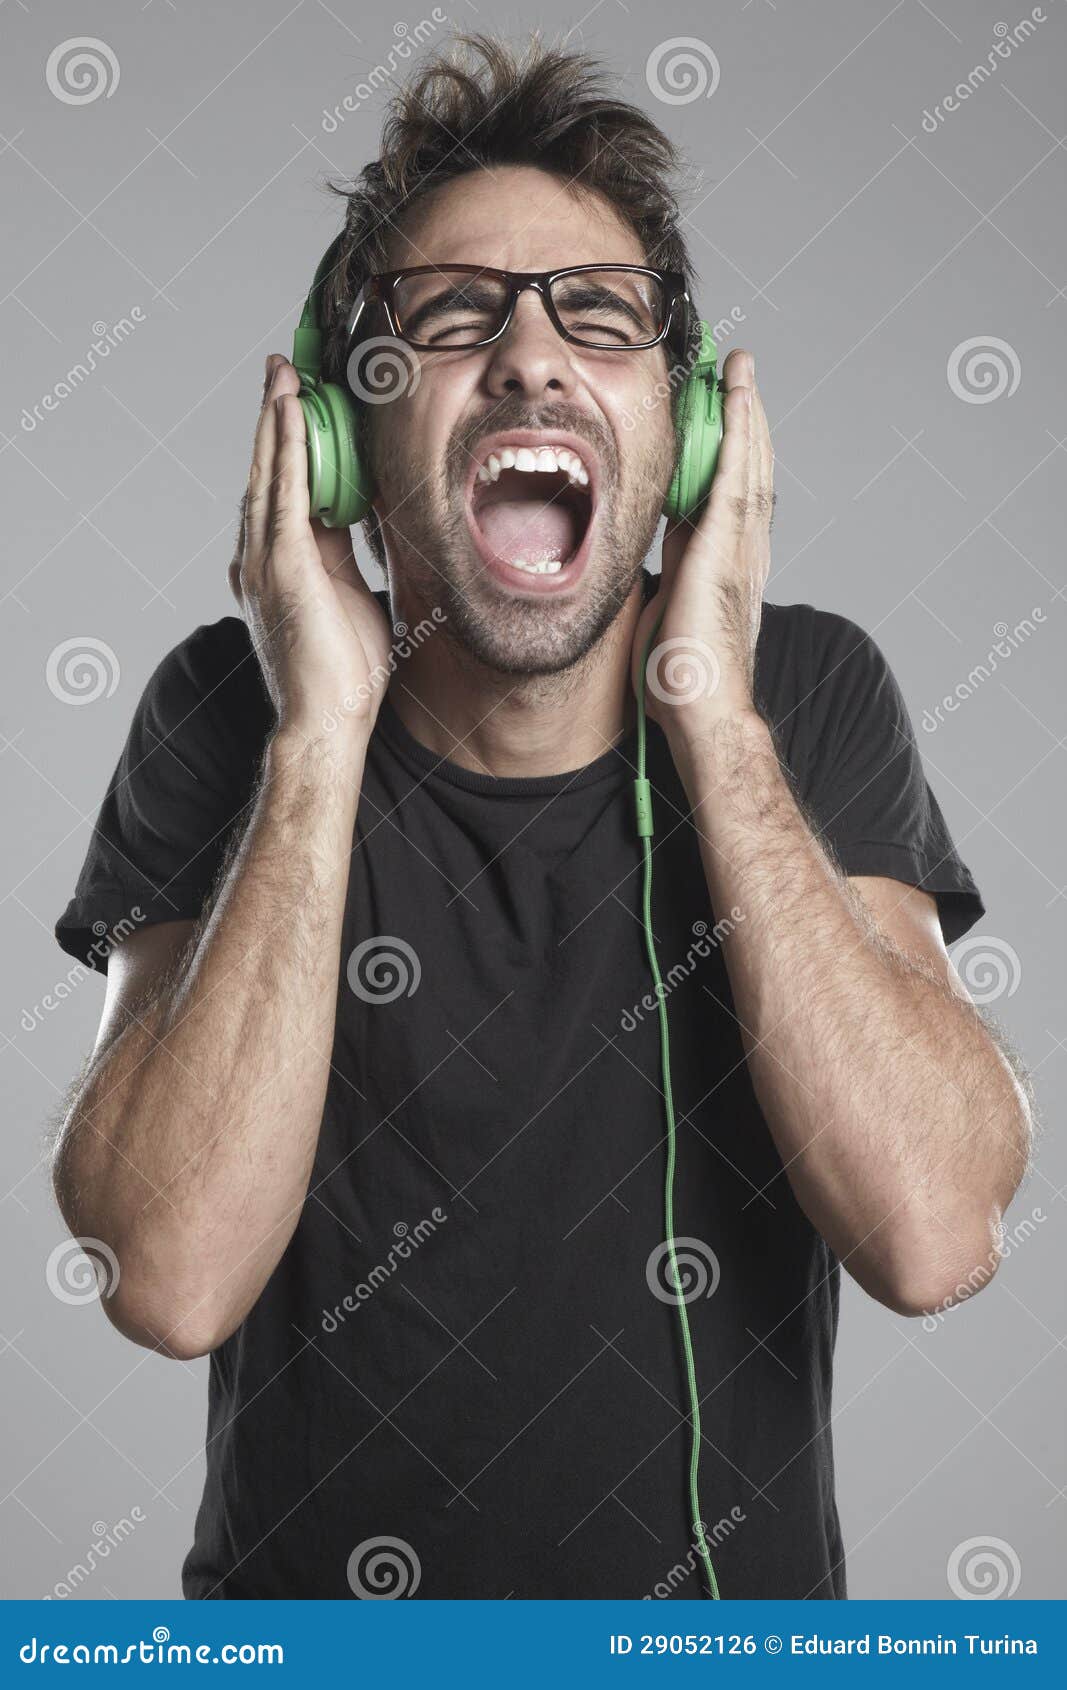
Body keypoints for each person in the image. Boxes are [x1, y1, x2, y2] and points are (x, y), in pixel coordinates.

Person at [51, 33, 1032, 1600]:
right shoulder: (225, 713)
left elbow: (933, 1234)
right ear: (339, 434)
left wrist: (712, 708)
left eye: (600, 312)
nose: (529, 357)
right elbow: (166, 1276)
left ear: (691, 423)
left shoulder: (809, 696)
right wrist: (320, 736)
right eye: (450, 317)